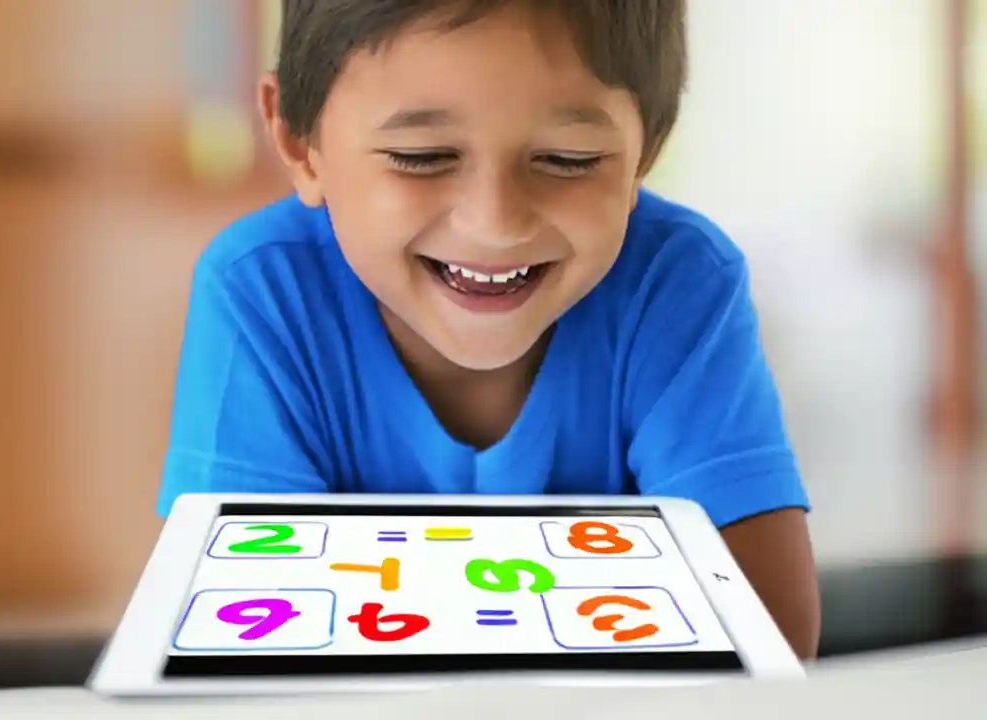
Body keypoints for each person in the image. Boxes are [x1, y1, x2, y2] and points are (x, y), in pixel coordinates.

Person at [155, 0, 820, 659]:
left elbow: (765, 641)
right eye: (421, 157)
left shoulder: (679, 282)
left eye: (569, 159)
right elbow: (238, 644)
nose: (496, 223)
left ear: (646, 151)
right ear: (300, 144)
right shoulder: (262, 290)